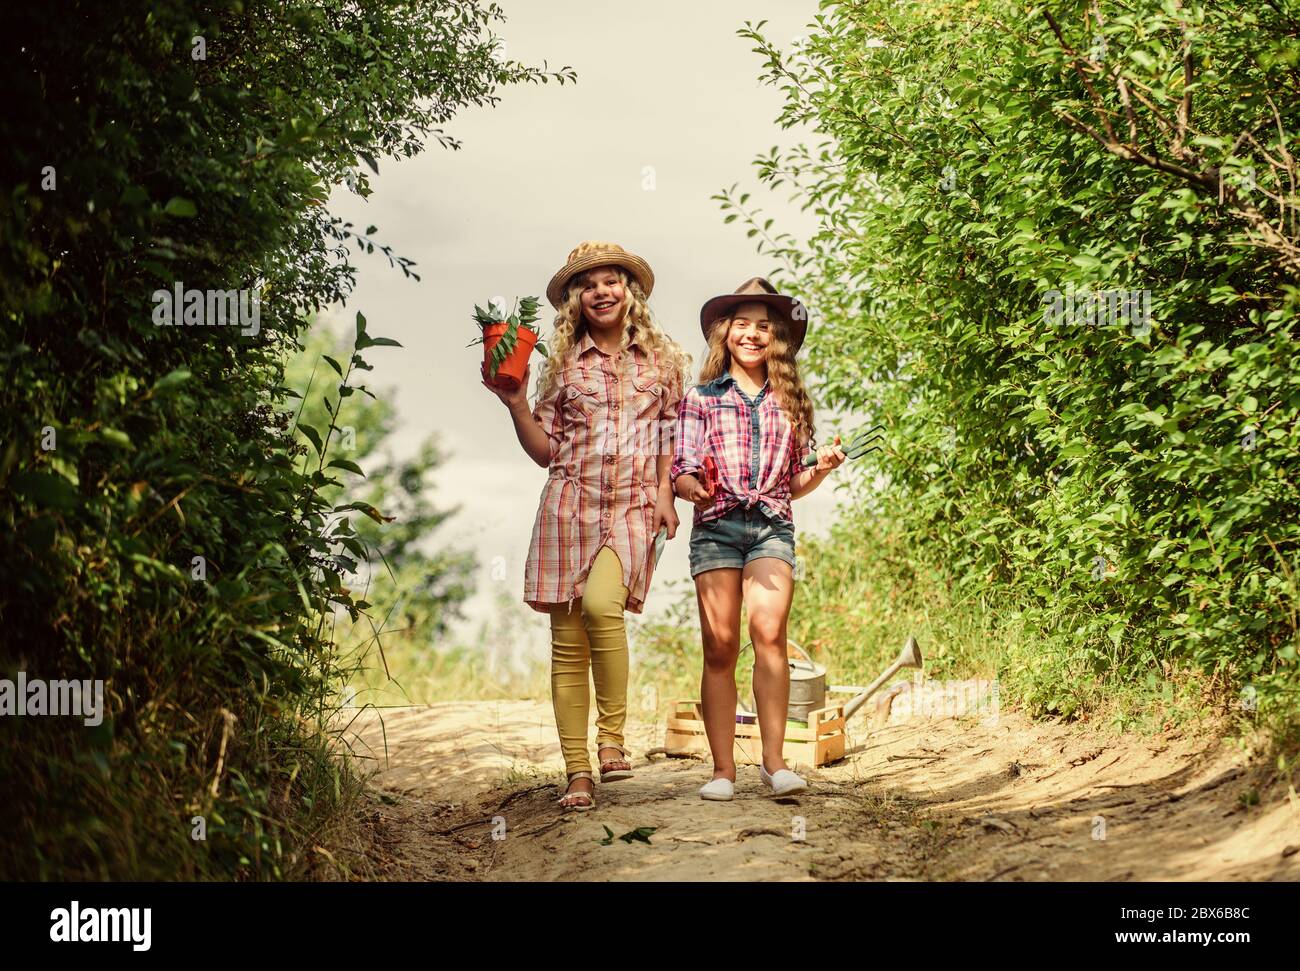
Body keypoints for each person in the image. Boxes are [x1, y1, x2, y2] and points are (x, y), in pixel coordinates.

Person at [483, 241, 689, 811]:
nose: (602, 290)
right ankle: (578, 771)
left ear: (630, 293)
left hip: (631, 507)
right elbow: (546, 451)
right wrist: (516, 404)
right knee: (567, 645)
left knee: (603, 607)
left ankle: (614, 741)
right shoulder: (561, 366)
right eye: (590, 283)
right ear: (578, 298)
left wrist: (667, 495)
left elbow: (672, 436)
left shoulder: (663, 363)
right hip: (568, 506)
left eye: (612, 281)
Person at [670, 277, 844, 800]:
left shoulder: (793, 403)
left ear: (778, 338)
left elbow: (795, 482)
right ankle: (723, 770)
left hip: (770, 524)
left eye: (763, 326)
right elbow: (680, 471)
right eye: (742, 324)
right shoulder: (700, 398)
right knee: (720, 646)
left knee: (769, 633)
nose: (751, 334)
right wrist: (691, 486)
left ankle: (773, 762)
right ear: (725, 334)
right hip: (717, 526)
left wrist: (825, 468)